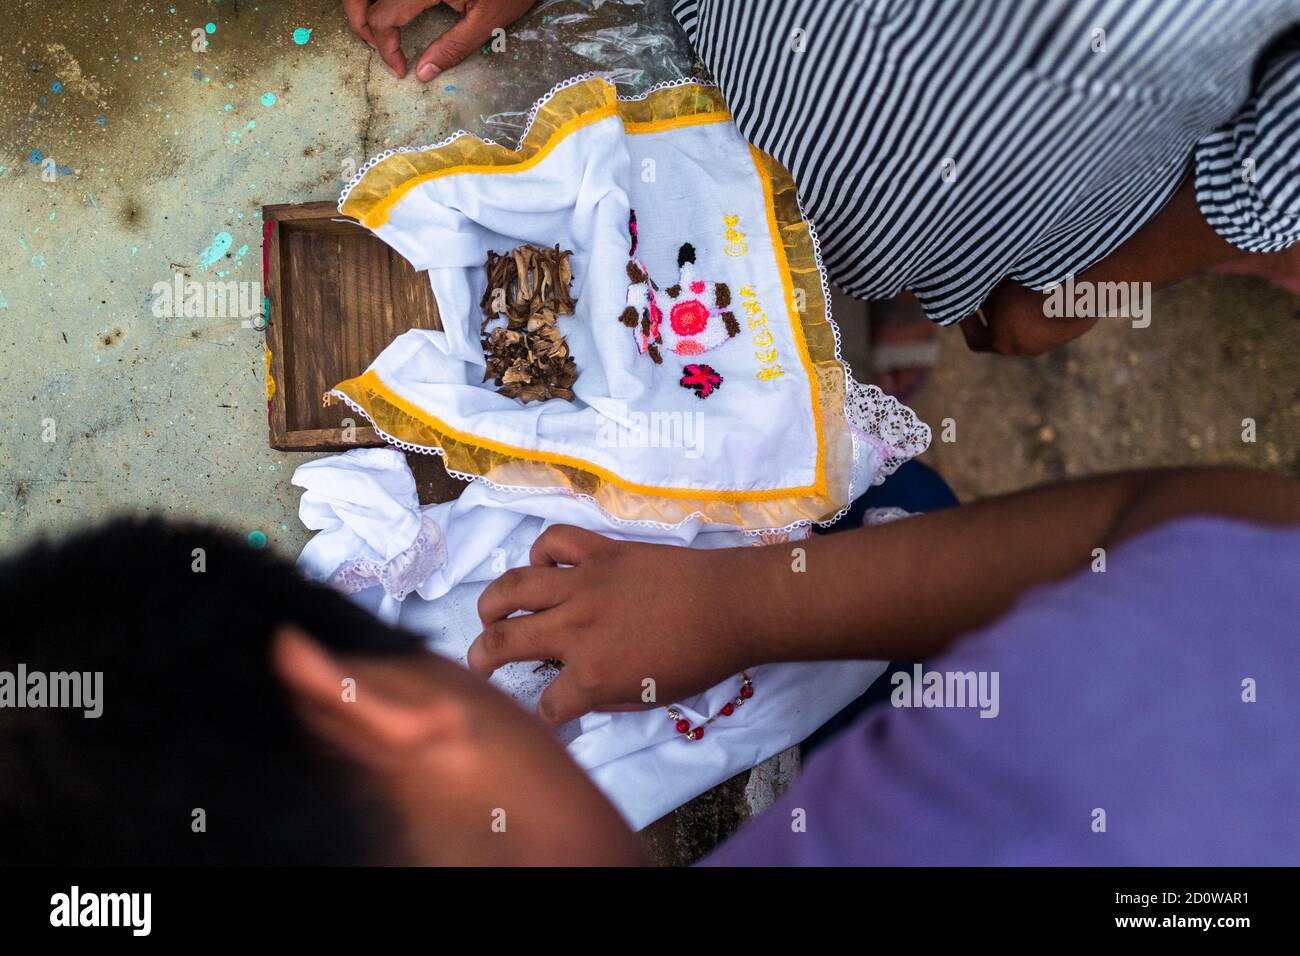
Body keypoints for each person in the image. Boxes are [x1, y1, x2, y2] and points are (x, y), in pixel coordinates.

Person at [3, 465, 1296, 865]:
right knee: (888, 487)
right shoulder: (1051, 782)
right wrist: (750, 599)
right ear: (383, 713)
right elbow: (1189, 529)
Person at [339, 0, 1300, 395]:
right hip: (718, 45)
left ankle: (902, 299)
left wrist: (1088, 286)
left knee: (856, 284)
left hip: (1006, 198)